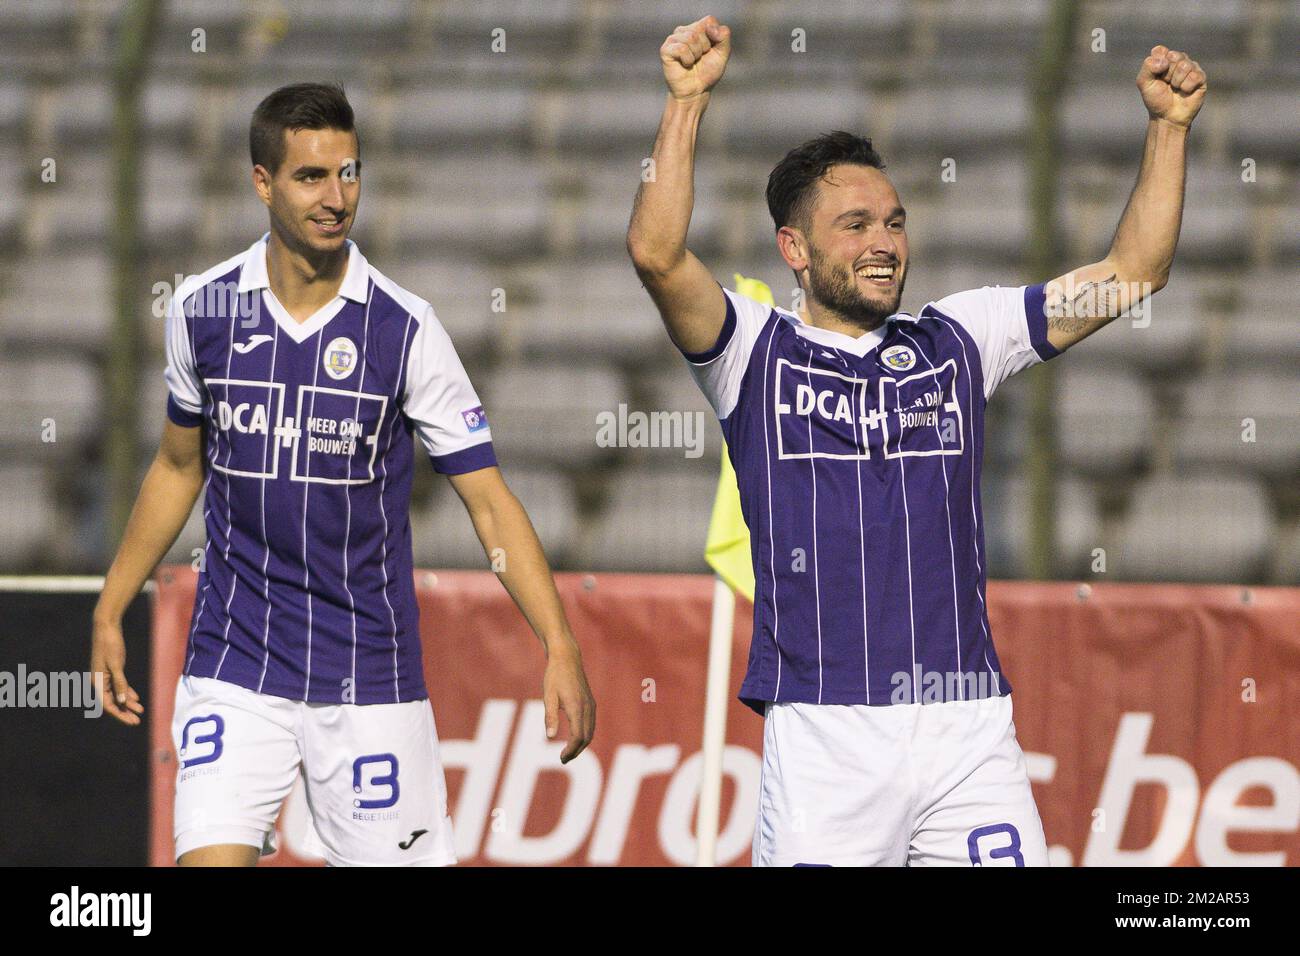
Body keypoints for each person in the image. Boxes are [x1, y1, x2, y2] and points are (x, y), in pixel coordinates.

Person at [627, 16, 1204, 866]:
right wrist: (685, 104)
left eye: (893, 223)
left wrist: (1168, 129)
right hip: (827, 733)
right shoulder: (751, 351)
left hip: (968, 729)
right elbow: (656, 254)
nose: (884, 244)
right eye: (855, 225)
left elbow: (1133, 273)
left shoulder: (960, 335)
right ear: (794, 247)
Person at [91, 82, 595, 866]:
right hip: (235, 659)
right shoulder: (202, 310)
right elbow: (176, 466)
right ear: (263, 182)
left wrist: (558, 643)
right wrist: (110, 603)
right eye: (311, 177)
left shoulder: (406, 330)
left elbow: (490, 504)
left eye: (349, 173)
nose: (337, 197)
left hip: (369, 672)